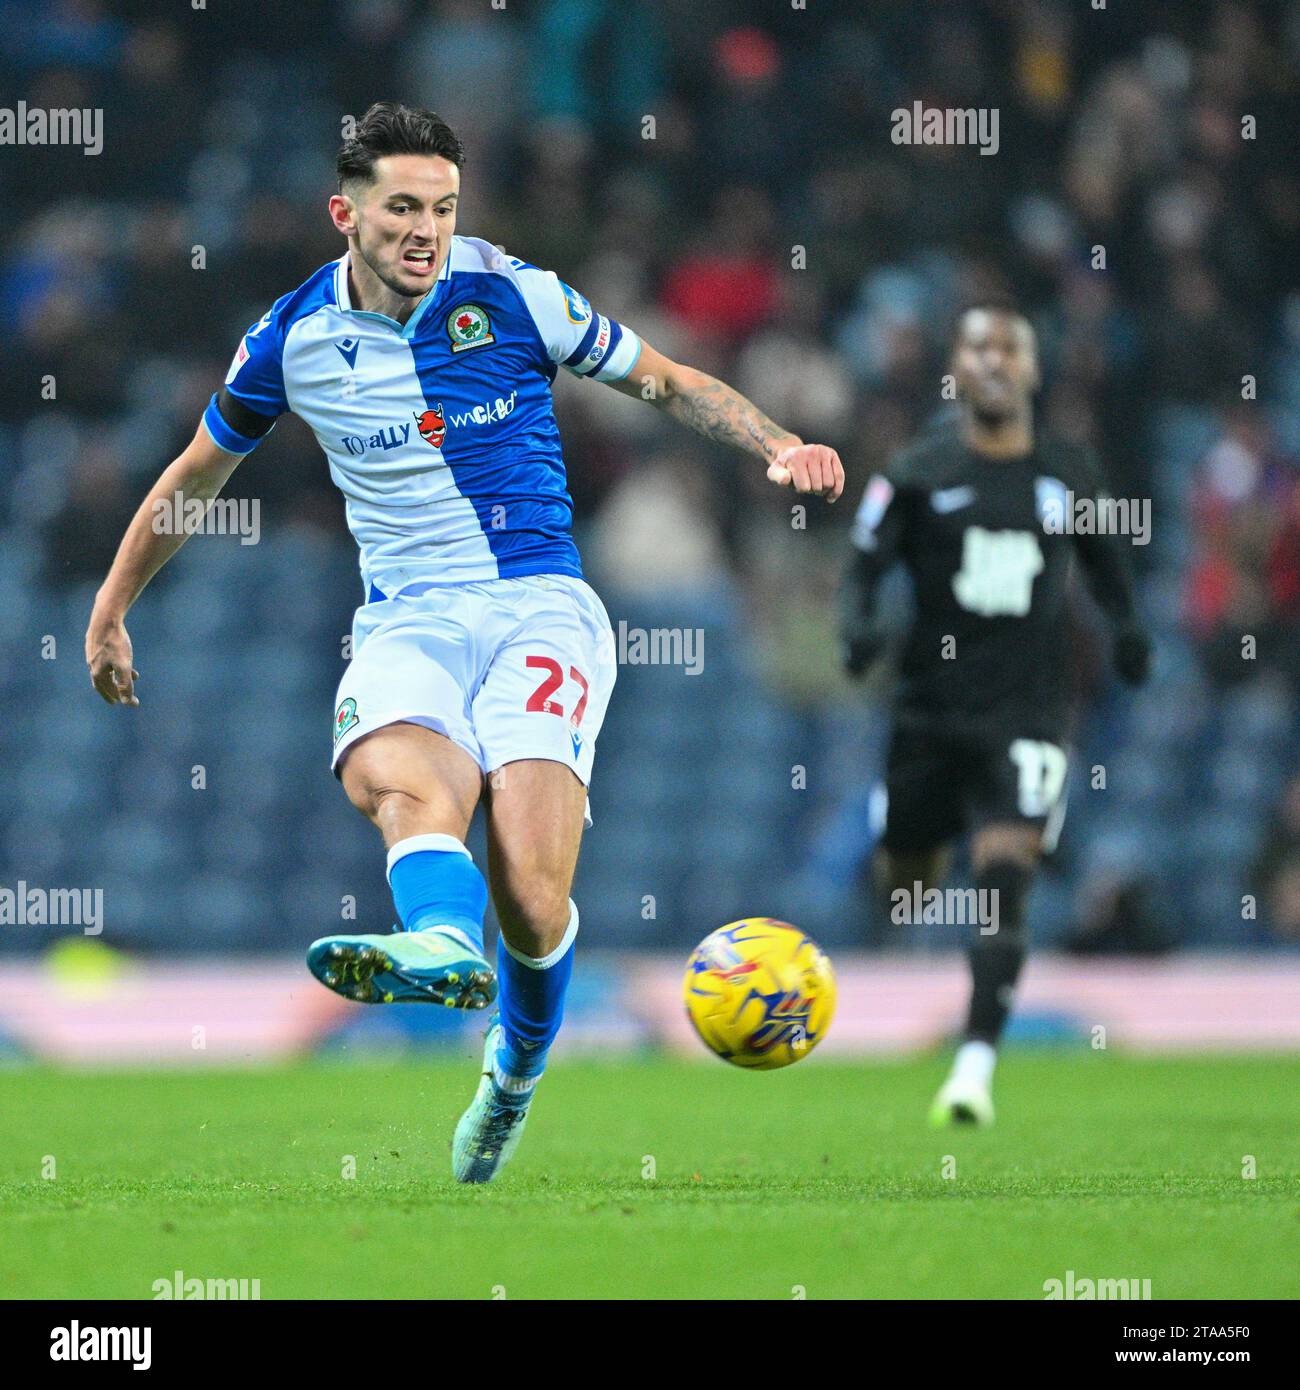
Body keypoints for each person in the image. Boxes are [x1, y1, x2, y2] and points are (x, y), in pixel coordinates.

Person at [85, 102, 843, 1182]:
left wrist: (777, 442)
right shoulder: (292, 337)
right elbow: (196, 475)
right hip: (408, 614)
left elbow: (665, 381)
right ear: (344, 212)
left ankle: (516, 1070)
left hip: (539, 604)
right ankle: (441, 939)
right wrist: (113, 606)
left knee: (532, 895)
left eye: (441, 208)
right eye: (401, 207)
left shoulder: (518, 294)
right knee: (395, 776)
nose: (425, 230)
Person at [839, 303, 1149, 1126]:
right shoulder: (918, 469)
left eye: (1012, 347)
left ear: (1034, 370)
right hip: (928, 711)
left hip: (1030, 711)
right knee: (905, 883)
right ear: (958, 364)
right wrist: (859, 630)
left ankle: (973, 1068)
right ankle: (897, 827)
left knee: (1003, 878)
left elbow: (1108, 564)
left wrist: (1128, 633)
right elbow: (863, 567)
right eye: (979, 345)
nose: (996, 361)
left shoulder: (1070, 471)